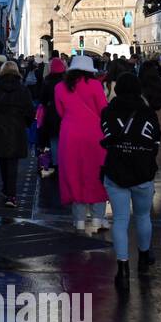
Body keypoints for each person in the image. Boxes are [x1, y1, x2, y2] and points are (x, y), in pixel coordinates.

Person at [100, 72, 161, 288]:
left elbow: (105, 137)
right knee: (143, 216)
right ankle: (144, 255)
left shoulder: (108, 112)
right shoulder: (147, 112)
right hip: (142, 170)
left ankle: (123, 267)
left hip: (116, 170)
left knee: (120, 219)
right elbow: (156, 141)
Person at [56, 54, 109, 232]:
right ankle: (97, 218)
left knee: (73, 173)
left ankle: (78, 219)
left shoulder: (59, 88)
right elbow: (103, 110)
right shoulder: (95, 85)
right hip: (94, 134)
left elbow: (60, 111)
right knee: (96, 173)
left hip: (69, 134)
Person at [0, 60, 36, 208]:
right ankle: (11, 195)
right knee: (13, 162)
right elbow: (30, 111)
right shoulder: (23, 89)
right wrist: (25, 123)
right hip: (16, 128)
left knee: (3, 159)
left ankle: (5, 189)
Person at [38, 56, 67, 175]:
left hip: (51, 114)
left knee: (54, 140)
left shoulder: (47, 82)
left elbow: (42, 99)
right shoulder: (67, 82)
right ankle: (66, 162)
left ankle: (56, 163)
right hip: (65, 113)